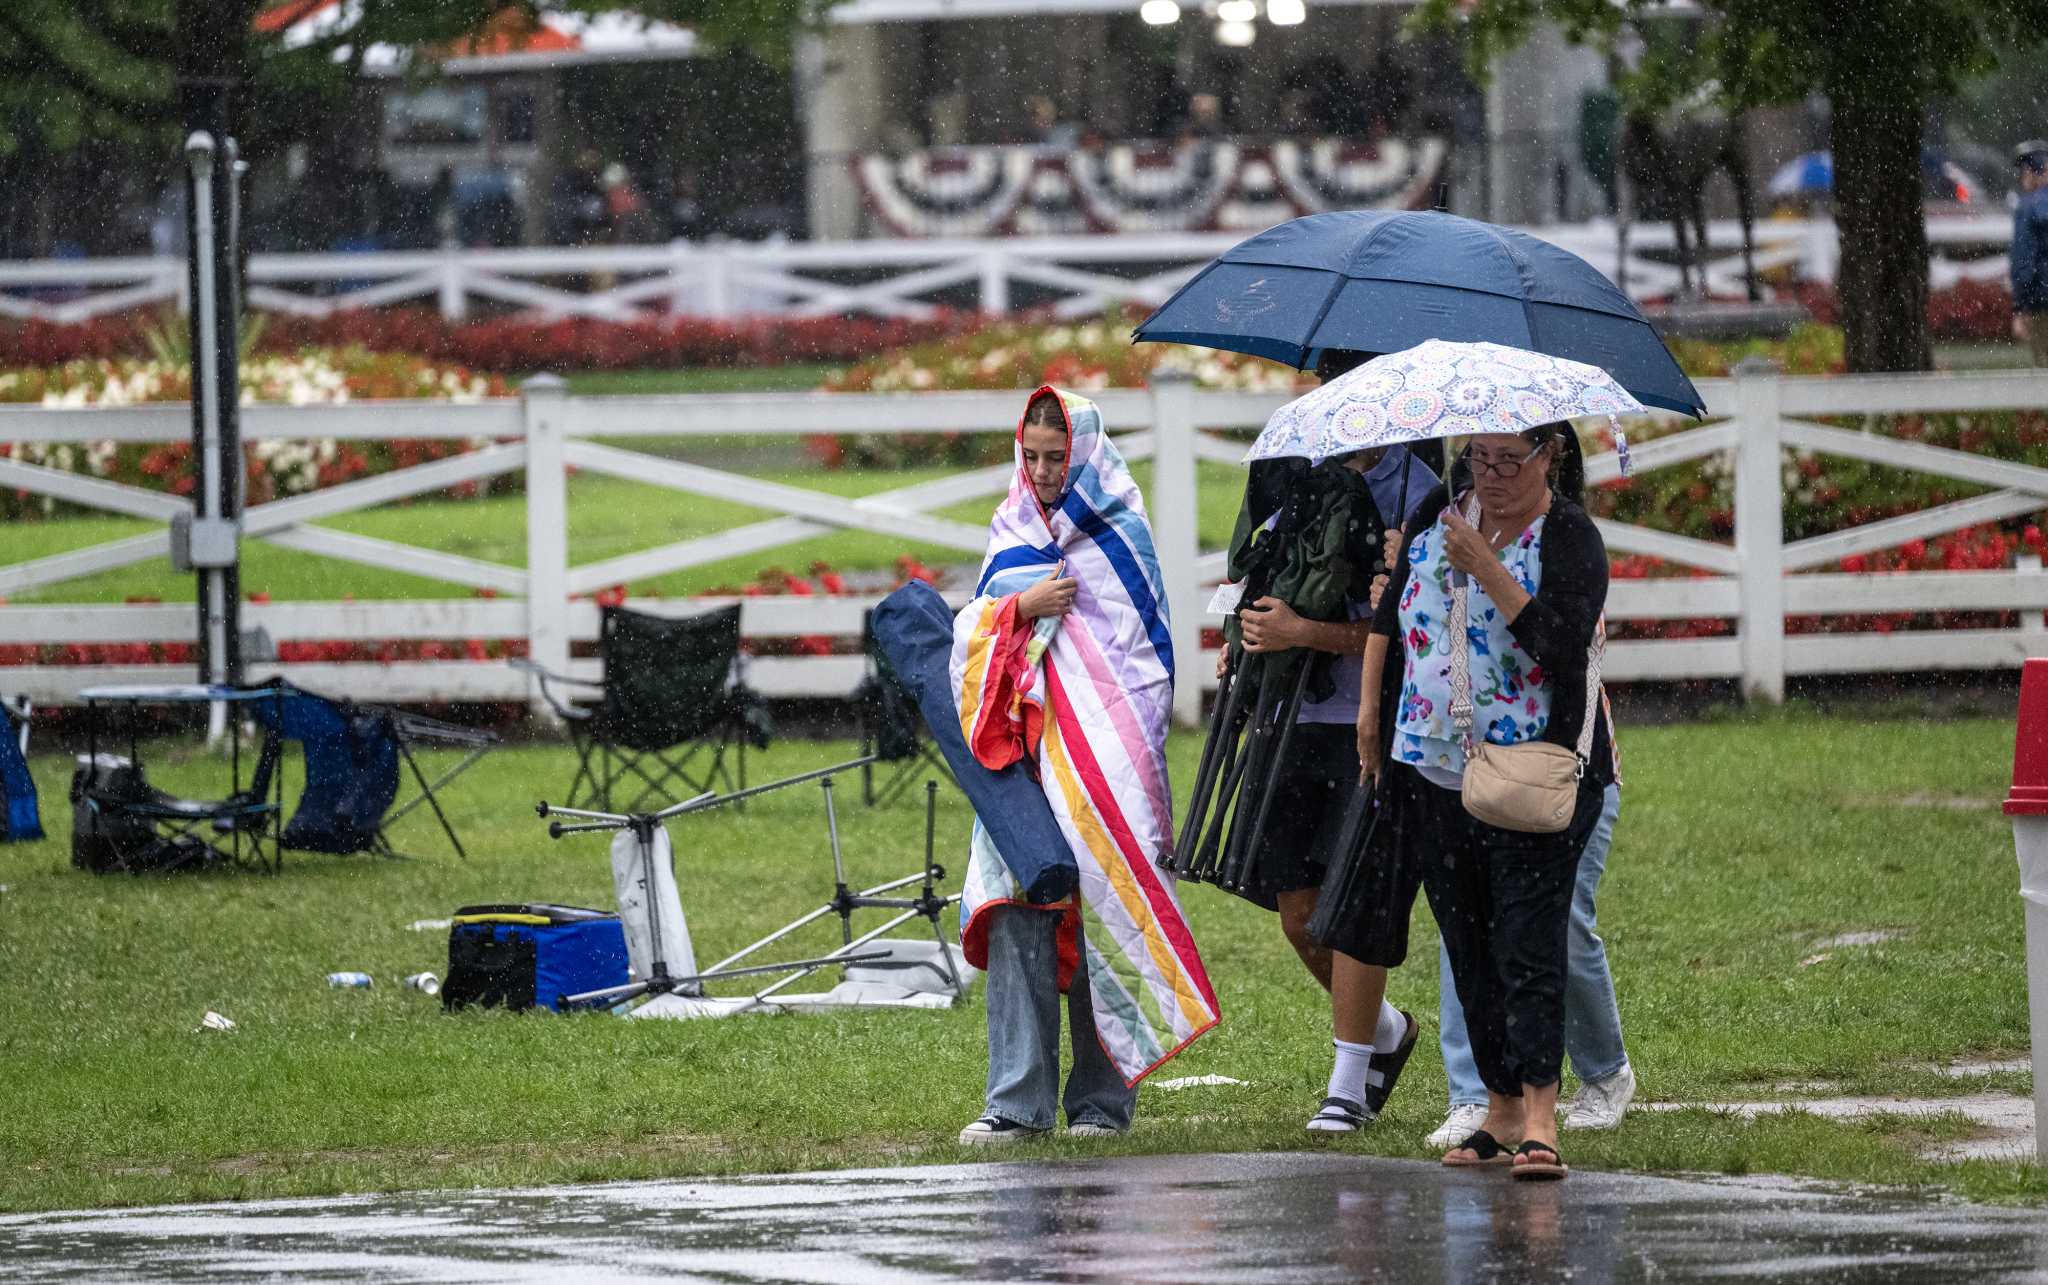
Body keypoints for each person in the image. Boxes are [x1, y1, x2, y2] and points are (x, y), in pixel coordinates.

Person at [952, 386, 1219, 1144]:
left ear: (1087, 454)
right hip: (1021, 756)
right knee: (1017, 907)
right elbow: (970, 639)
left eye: (1056, 457)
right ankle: (1016, 1102)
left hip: (1107, 756)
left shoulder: (1122, 533)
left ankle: (1102, 1101)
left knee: (1105, 902)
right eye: (1030, 455)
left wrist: (1093, 742)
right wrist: (1020, 608)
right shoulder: (1010, 527)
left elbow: (1139, 665)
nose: (1041, 470)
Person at [1358, 420, 1614, 1182]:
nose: (1492, 474)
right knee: (1467, 945)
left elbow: (1563, 645)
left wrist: (1489, 569)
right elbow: (1395, 613)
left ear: (1551, 456)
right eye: (1481, 457)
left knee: (1528, 944)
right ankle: (1499, 1107)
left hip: (1533, 771)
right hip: (1434, 770)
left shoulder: (1569, 535)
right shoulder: (1446, 503)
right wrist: (1373, 709)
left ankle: (1541, 1114)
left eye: (1511, 459)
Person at [1212, 349, 1437, 1134]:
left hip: (1376, 724)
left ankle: (1346, 1082)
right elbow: (1257, 576)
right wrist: (1246, 632)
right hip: (1295, 720)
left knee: (1357, 908)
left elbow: (1418, 638)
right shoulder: (1293, 472)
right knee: (1299, 913)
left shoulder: (1423, 493)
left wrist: (1314, 627)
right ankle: (1384, 1032)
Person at [1424, 682, 1635, 1148]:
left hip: (1563, 773)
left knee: (1560, 926)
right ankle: (1475, 1096)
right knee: (1466, 927)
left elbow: (1570, 637)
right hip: (1471, 772)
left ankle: (1605, 1073)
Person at [2011, 140, 2048, 366]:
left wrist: (2020, 306)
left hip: (2042, 300)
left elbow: (2025, 261)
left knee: (2043, 365)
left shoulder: (2029, 207)